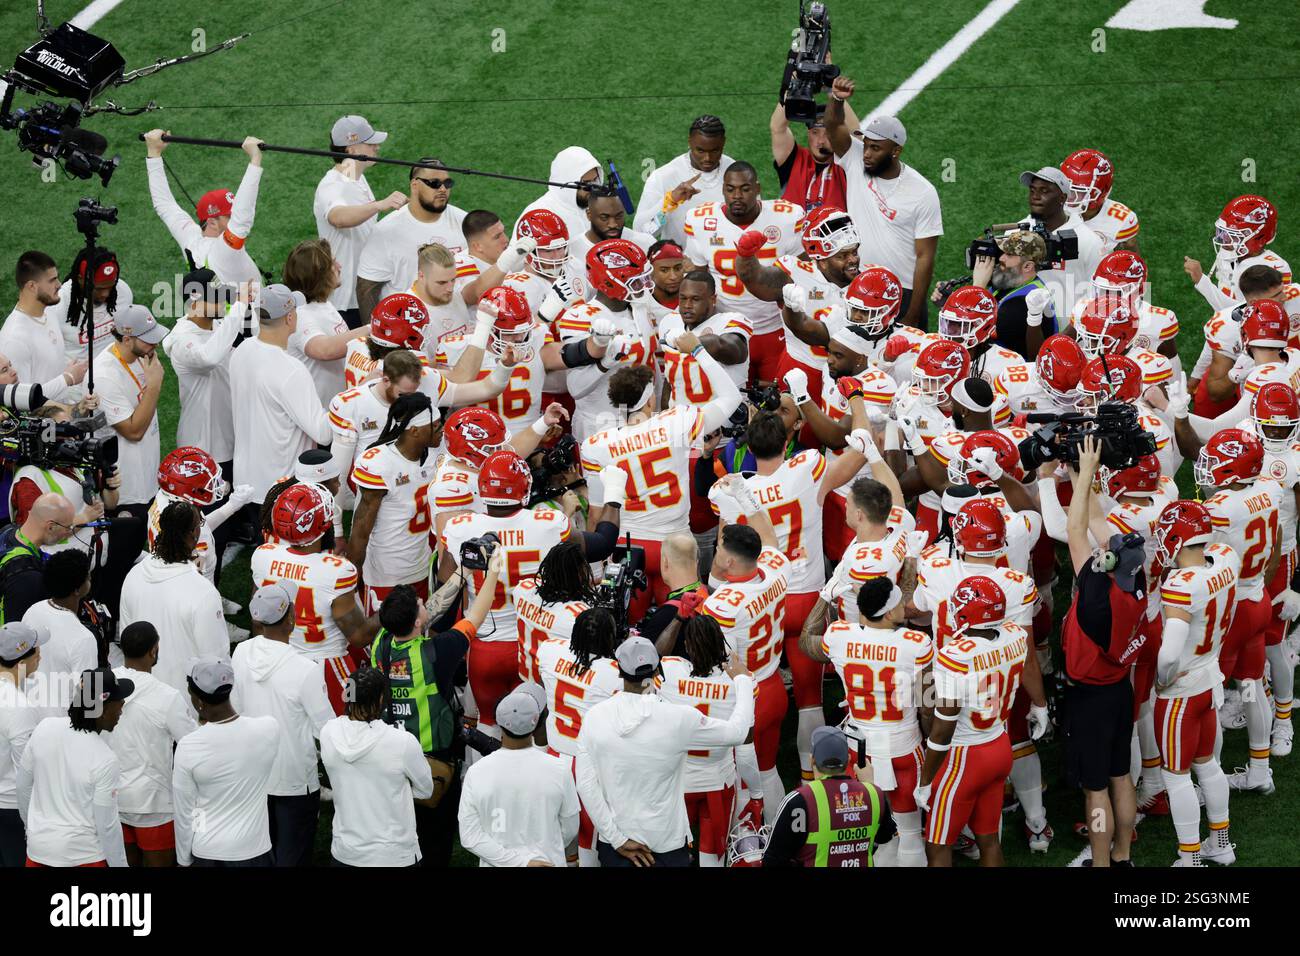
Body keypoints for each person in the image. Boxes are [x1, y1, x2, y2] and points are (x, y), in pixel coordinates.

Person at [579, 340, 741, 617]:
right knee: (684, 625)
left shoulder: (596, 445)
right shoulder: (676, 422)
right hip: (675, 545)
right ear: (650, 399)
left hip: (628, 546)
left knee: (625, 629)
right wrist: (698, 350)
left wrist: (596, 569)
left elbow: (596, 515)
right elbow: (731, 397)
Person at [576, 636, 754, 867]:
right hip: (666, 841)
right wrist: (743, 680)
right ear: (658, 670)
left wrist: (616, 838)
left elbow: (586, 785)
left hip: (617, 840)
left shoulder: (594, 717)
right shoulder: (677, 718)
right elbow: (738, 732)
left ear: (619, 672)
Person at [368, 566, 498, 867]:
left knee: (403, 828)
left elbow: (429, 609)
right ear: (416, 621)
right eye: (419, 604)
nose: (424, 603)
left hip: (391, 754)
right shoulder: (437, 652)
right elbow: (477, 615)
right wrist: (493, 571)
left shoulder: (382, 641)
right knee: (436, 839)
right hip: (434, 761)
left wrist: (462, 573)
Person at [441, 450, 575, 732]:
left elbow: (446, 579)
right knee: (535, 723)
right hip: (532, 641)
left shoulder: (461, 528)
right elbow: (588, 550)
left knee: (487, 722)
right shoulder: (549, 523)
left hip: (485, 644)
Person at [917, 576, 1047, 867]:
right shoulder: (1015, 635)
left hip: (965, 757)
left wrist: (925, 780)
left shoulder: (955, 656)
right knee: (989, 838)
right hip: (999, 745)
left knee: (938, 846)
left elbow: (943, 728)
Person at [801, 578, 930, 867]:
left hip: (860, 750)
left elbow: (806, 639)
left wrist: (824, 597)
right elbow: (928, 706)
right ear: (889, 612)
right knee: (910, 831)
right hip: (903, 746)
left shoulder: (840, 636)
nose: (904, 604)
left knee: (870, 828)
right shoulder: (915, 644)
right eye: (899, 601)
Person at [1059, 437, 1146, 867]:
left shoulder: (1095, 596)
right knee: (1121, 775)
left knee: (1095, 790)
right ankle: (1123, 854)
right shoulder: (1136, 584)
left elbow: (1076, 531)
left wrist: (1085, 474)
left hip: (1089, 697)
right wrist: (1083, 475)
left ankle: (1100, 862)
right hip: (1118, 690)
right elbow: (1094, 522)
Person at [1150, 500, 1240, 865]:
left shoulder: (1181, 584)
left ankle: (1189, 857)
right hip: (1209, 678)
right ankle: (1221, 843)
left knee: (1176, 776)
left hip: (1182, 690)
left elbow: (1170, 653)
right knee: (1208, 765)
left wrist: (1162, 680)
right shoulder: (1226, 559)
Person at [823, 82, 941, 331]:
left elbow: (925, 257)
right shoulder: (855, 160)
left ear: (896, 151)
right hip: (859, 284)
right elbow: (833, 127)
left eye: (875, 148)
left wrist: (913, 314)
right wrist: (836, 99)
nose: (866, 153)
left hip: (902, 292)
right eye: (866, 144)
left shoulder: (923, 192)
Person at [232, 584, 334, 867]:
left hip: (253, 774)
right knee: (293, 858)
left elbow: (236, 707)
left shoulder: (240, 652)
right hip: (295, 780)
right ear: (291, 619)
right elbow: (326, 730)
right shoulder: (306, 670)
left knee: (260, 854)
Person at [252, 483, 375, 715]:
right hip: (326, 663)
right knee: (350, 722)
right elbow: (359, 637)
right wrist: (385, 614)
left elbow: (258, 619)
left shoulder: (263, 556)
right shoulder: (338, 571)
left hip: (279, 658)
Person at [683, 161, 805, 385]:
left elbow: (803, 271)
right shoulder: (701, 221)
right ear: (723, 190)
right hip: (728, 331)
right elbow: (699, 281)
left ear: (757, 188)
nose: (737, 196)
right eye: (730, 189)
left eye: (745, 189)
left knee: (781, 395)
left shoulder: (786, 218)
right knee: (734, 396)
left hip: (776, 328)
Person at [228, 284, 332, 510]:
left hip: (246, 483)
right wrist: (349, 398)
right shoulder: (291, 369)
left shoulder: (242, 350)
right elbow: (323, 434)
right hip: (282, 492)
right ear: (290, 318)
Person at [18, 666, 132, 867]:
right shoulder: (105, 759)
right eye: (119, 703)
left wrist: (32, 830)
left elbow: (22, 786)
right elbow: (107, 826)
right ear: (103, 710)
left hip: (38, 853)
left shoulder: (44, 728)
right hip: (85, 858)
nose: (122, 710)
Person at [535, 606, 623, 867]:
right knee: (588, 836)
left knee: (554, 828)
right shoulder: (614, 673)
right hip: (589, 766)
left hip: (553, 756)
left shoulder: (550, 650)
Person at [320, 664, 433, 866]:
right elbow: (425, 790)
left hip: (345, 853)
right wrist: (393, 789)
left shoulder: (328, 732)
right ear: (381, 699)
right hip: (393, 856)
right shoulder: (402, 742)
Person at [172, 657, 279, 867]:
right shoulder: (269, 728)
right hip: (256, 851)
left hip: (208, 852)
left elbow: (187, 810)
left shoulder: (189, 746)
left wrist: (184, 858)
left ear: (199, 701)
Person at [657, 615, 744, 867]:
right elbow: (746, 742)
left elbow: (654, 653)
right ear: (720, 643)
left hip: (677, 782)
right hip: (717, 781)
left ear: (688, 645)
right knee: (712, 856)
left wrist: (676, 619)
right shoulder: (736, 682)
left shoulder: (669, 670)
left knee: (670, 851)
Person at [109, 622, 197, 867]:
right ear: (154, 651)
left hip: (111, 799)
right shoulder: (168, 697)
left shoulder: (99, 685)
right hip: (154, 804)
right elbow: (192, 744)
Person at [458, 689, 580, 867]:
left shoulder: (476, 773)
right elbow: (569, 828)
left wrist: (519, 862)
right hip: (548, 861)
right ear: (537, 723)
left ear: (499, 723)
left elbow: (470, 836)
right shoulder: (560, 770)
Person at [120, 501, 228, 694]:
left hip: (142, 691)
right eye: (200, 524)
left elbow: (126, 639)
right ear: (193, 534)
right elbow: (216, 660)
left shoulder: (134, 575)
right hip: (185, 697)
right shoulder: (203, 592)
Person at [313, 115, 406, 326]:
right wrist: (379, 205)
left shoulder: (356, 177)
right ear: (352, 150)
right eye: (370, 143)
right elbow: (338, 217)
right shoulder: (332, 185)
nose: (377, 147)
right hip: (345, 299)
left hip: (364, 290)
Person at [763, 725, 897, 867]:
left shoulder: (798, 801)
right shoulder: (874, 794)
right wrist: (870, 785)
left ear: (812, 760)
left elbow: (771, 860)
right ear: (848, 759)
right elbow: (886, 835)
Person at [144, 129, 265, 285]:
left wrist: (153, 152)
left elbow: (165, 205)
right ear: (212, 222)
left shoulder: (191, 238)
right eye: (229, 216)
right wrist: (255, 159)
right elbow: (241, 220)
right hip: (255, 301)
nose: (234, 217)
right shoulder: (226, 251)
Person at [355, 158, 467, 319]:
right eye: (434, 183)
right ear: (415, 185)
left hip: (456, 324)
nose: (443, 189)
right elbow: (366, 289)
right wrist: (373, 331)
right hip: (407, 326)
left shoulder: (464, 222)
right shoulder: (386, 231)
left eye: (447, 183)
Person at [162, 267, 248, 477]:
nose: (223, 302)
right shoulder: (183, 341)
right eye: (215, 298)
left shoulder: (218, 324)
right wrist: (239, 308)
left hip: (231, 438)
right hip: (204, 447)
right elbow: (209, 357)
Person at [91, 303, 167, 520]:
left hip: (148, 478)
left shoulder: (142, 355)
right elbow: (133, 431)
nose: (155, 343)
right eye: (148, 339)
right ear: (126, 339)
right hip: (126, 490)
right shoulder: (105, 376)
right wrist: (154, 387)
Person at [283, 238, 369, 405]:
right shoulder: (300, 315)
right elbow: (324, 350)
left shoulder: (323, 304)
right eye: (333, 264)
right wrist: (375, 328)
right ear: (318, 275)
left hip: (336, 407)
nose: (339, 266)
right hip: (319, 414)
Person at [1015, 166, 1104, 314]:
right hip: (1025, 321)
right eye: (1032, 190)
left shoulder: (1090, 241)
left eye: (1044, 191)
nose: (1035, 196)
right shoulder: (1015, 233)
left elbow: (1099, 295)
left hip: (1069, 325)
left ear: (1062, 198)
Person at [0, 251, 88, 400]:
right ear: (32, 286)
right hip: (45, 414)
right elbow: (21, 399)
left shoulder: (48, 312)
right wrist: (67, 378)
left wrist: (65, 373)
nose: (59, 285)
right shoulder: (14, 339)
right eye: (52, 280)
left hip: (62, 408)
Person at [634, 116, 734, 245]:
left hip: (726, 256)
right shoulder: (663, 176)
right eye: (700, 150)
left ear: (723, 143)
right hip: (681, 257)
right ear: (690, 142)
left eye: (715, 150)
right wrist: (670, 201)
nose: (707, 158)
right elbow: (640, 232)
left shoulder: (737, 173)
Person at [22, 550, 97, 718]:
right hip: (63, 725)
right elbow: (90, 702)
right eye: (87, 576)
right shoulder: (84, 638)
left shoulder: (32, 611)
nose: (90, 578)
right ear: (77, 590)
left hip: (28, 716)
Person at [968, 229, 1055, 360]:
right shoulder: (1011, 283)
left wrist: (978, 286)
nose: (1001, 258)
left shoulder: (1021, 305)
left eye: (1009, 255)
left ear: (1027, 266)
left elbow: (969, 338)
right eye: (1003, 252)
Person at [0, 622, 45, 865]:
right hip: (10, 810)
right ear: (21, 661)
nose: (40, 655)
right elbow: (25, 775)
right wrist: (31, 824)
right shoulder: (19, 707)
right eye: (36, 650)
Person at [47, 248, 133, 364]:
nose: (106, 294)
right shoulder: (58, 305)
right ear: (80, 280)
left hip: (114, 368)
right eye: (98, 289)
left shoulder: (123, 292)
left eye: (111, 286)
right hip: (77, 373)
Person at [0, 492, 75, 625]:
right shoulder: (27, 576)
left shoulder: (6, 532)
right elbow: (19, 633)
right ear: (50, 527)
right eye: (68, 527)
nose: (70, 531)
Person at [770, 101, 852, 214]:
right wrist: (787, 95)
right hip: (794, 226)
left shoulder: (845, 165)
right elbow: (777, 128)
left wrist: (837, 97)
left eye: (828, 133)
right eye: (815, 132)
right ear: (808, 133)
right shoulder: (795, 160)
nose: (821, 141)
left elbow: (855, 133)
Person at [1060, 148, 1141, 253]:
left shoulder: (1120, 222)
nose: (1068, 196)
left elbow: (1130, 256)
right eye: (1065, 187)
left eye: (1077, 191)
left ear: (1098, 194)